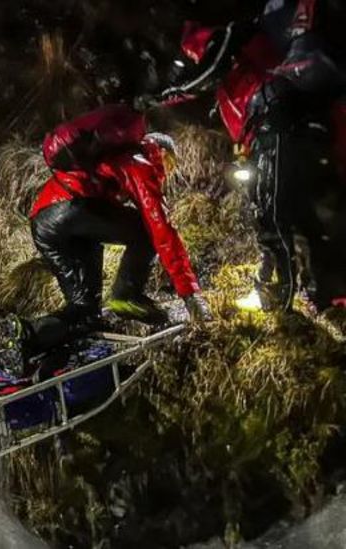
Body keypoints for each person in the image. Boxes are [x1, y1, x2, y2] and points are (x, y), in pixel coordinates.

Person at [161, 0, 346, 312]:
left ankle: (279, 297)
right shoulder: (248, 59)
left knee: (275, 215)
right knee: (305, 214)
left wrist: (165, 93)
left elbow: (208, 69)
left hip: (278, 125)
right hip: (284, 130)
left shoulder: (228, 41)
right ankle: (323, 293)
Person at [29, 122, 211, 346]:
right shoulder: (139, 161)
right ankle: (126, 295)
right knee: (145, 230)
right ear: (161, 151)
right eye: (170, 163)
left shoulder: (115, 159)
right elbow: (160, 228)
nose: (168, 171)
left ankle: (29, 337)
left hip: (45, 224)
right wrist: (190, 294)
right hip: (73, 208)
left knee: (85, 310)